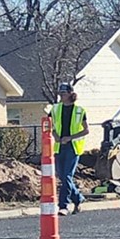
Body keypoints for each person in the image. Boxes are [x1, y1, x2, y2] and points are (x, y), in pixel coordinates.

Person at [51, 83, 89, 215]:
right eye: (60, 93)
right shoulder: (55, 109)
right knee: (62, 176)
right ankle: (78, 198)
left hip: (73, 147)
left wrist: (70, 138)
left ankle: (63, 205)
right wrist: (55, 136)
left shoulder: (79, 110)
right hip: (59, 147)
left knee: (67, 175)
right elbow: (50, 126)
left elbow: (86, 130)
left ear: (70, 94)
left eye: (64, 93)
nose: (61, 95)